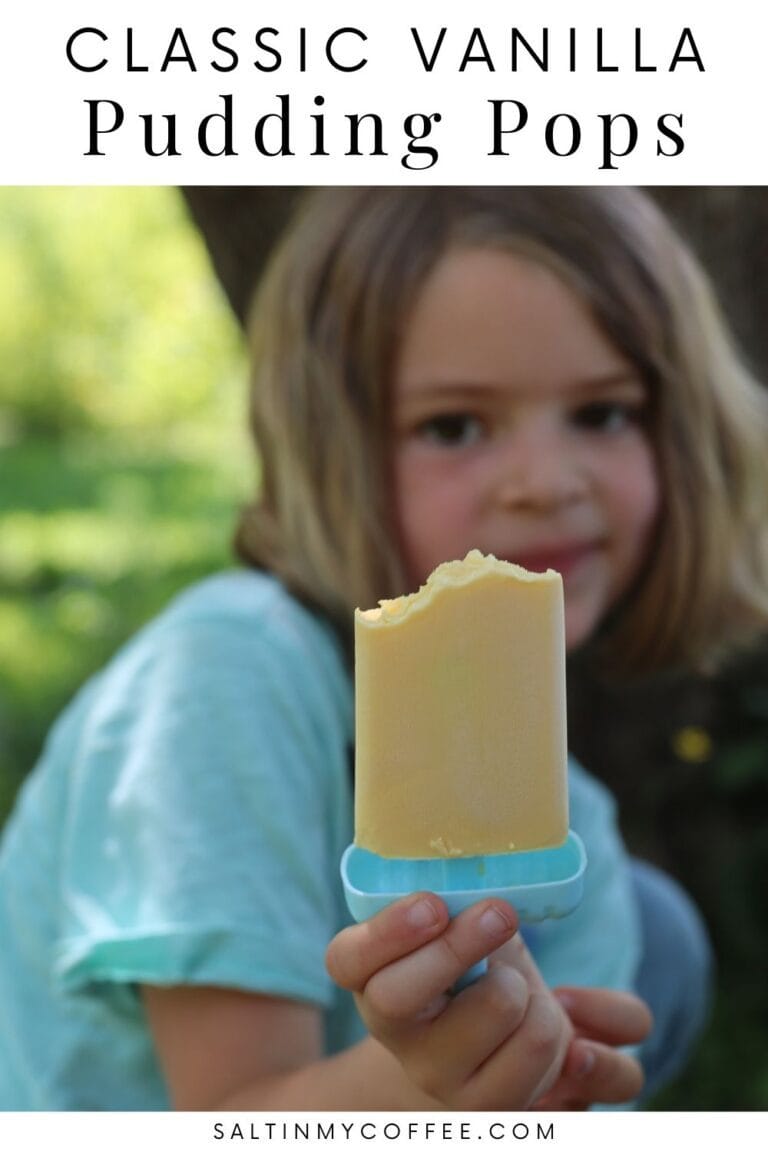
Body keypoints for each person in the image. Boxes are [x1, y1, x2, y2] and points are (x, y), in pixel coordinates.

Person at [1, 188, 766, 1111]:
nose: (546, 483)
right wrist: (427, 1093)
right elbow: (226, 1113)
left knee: (653, 931)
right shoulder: (223, 680)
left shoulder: (575, 841)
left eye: (602, 413)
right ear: (339, 453)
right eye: (453, 426)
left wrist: (537, 1085)